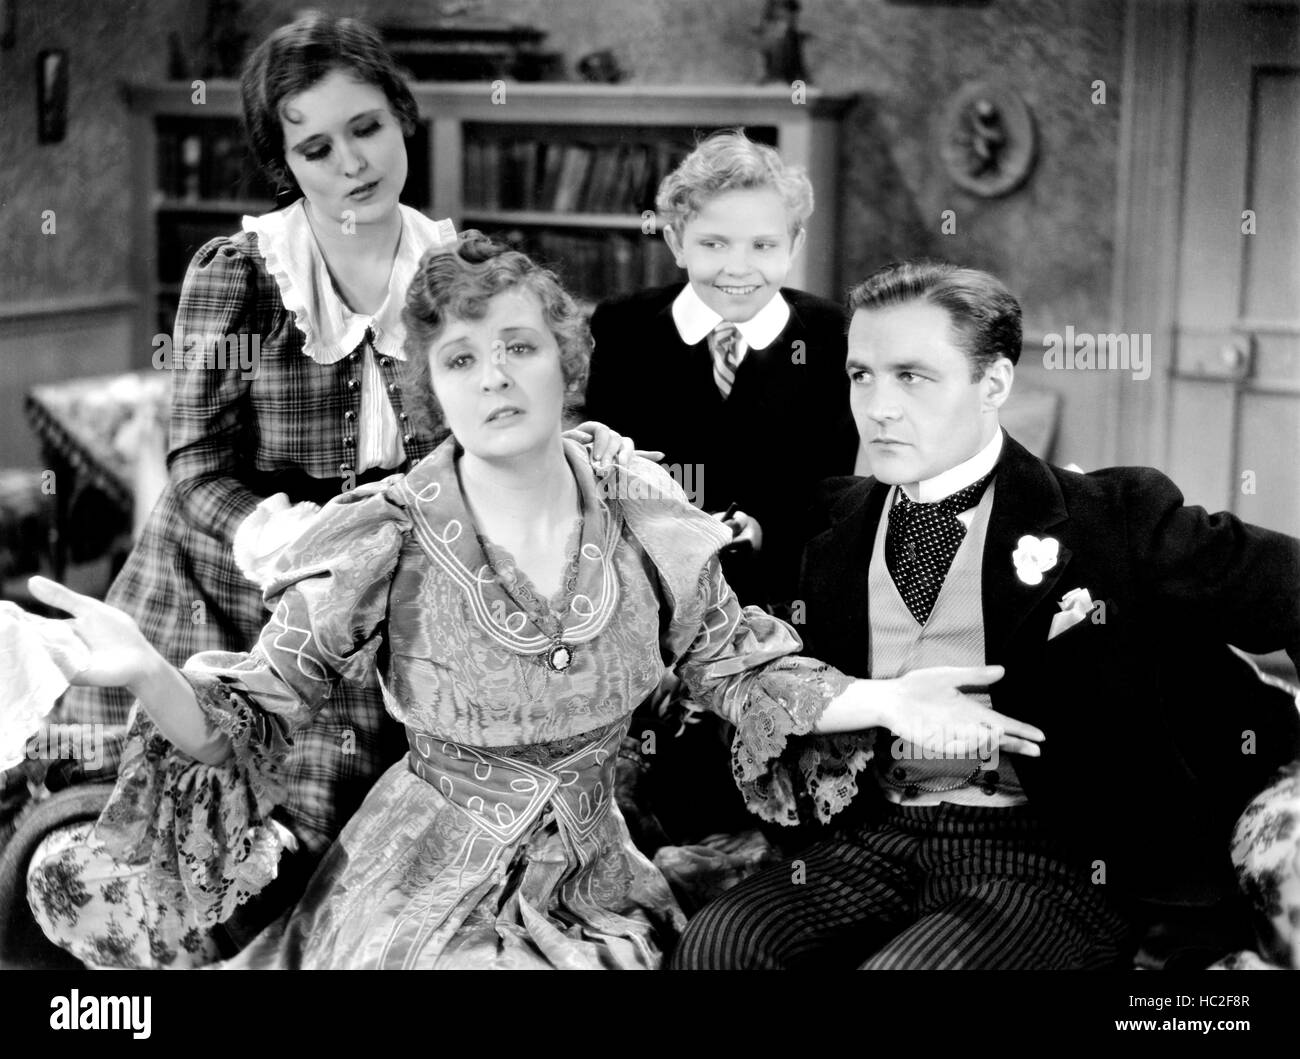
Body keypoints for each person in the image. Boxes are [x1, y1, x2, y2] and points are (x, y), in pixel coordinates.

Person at [24, 236, 1016, 970]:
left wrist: (884, 702)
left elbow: (737, 664)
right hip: (417, 873)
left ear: (565, 363)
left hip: (595, 868)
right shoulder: (388, 531)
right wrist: (148, 672)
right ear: (431, 393)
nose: (493, 379)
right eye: (460, 361)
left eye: (517, 348)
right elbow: (251, 717)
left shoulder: (635, 497)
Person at [14, 13, 633, 967]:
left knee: (356, 843)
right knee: (179, 783)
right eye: (315, 145)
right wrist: (280, 541)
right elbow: (193, 468)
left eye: (367, 128)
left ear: (403, 120)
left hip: (389, 573)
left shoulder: (458, 271)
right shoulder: (239, 275)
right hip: (227, 568)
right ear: (285, 162)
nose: (350, 162)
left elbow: (487, 445)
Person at [674, 261, 1300, 970]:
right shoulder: (828, 523)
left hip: (1046, 856)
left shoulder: (1115, 517)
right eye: (861, 375)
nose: (878, 406)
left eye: (912, 376)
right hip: (872, 835)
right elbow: (739, 654)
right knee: (717, 946)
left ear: (993, 384)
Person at [584, 129, 857, 614]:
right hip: (650, 582)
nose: (738, 267)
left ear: (793, 246)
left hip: (779, 586)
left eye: (763, 246)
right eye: (714, 244)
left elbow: (829, 485)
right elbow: (613, 472)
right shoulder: (623, 326)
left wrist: (762, 528)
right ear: (676, 242)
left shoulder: (830, 334)